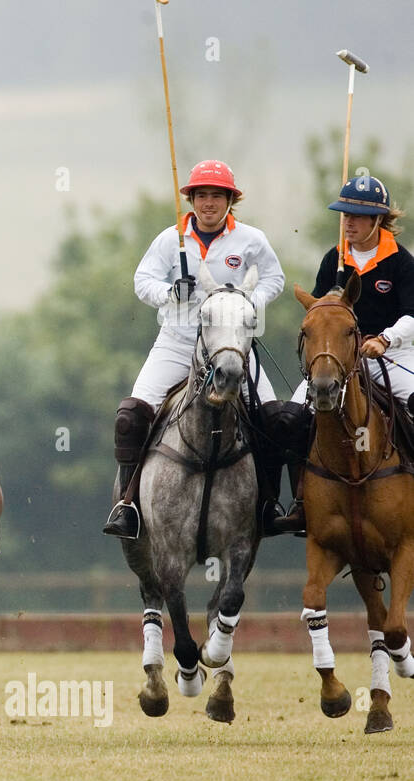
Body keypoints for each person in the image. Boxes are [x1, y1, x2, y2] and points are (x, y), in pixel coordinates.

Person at [103, 160, 286, 539]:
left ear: (230, 200)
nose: (208, 203)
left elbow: (274, 278)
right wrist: (170, 293)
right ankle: (128, 504)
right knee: (131, 415)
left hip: (231, 347)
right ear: (191, 199)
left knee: (273, 420)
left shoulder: (251, 240)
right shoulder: (171, 239)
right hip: (177, 342)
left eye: (216, 196)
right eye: (201, 195)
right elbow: (143, 280)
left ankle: (269, 504)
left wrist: (249, 301)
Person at [271, 174, 414, 534]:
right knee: (292, 419)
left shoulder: (400, 262)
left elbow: (413, 314)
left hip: (390, 357)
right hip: (338, 360)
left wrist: (384, 339)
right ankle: (302, 502)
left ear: (377, 220)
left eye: (356, 215)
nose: (348, 222)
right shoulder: (334, 258)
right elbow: (317, 312)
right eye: (344, 214)